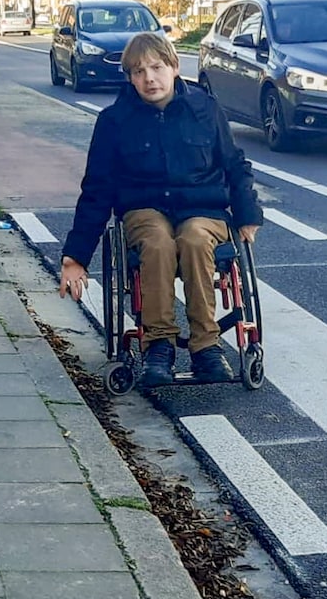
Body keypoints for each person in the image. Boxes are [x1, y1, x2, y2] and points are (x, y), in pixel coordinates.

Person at [58, 32, 262, 387]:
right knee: (157, 243)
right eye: (138, 72)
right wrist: (76, 257)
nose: (148, 78)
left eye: (156, 67)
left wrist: (247, 216)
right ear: (130, 77)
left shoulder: (205, 109)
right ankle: (159, 346)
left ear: (174, 66)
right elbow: (97, 189)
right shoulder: (114, 121)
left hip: (203, 209)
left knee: (196, 239)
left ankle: (206, 347)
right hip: (144, 210)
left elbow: (235, 164)